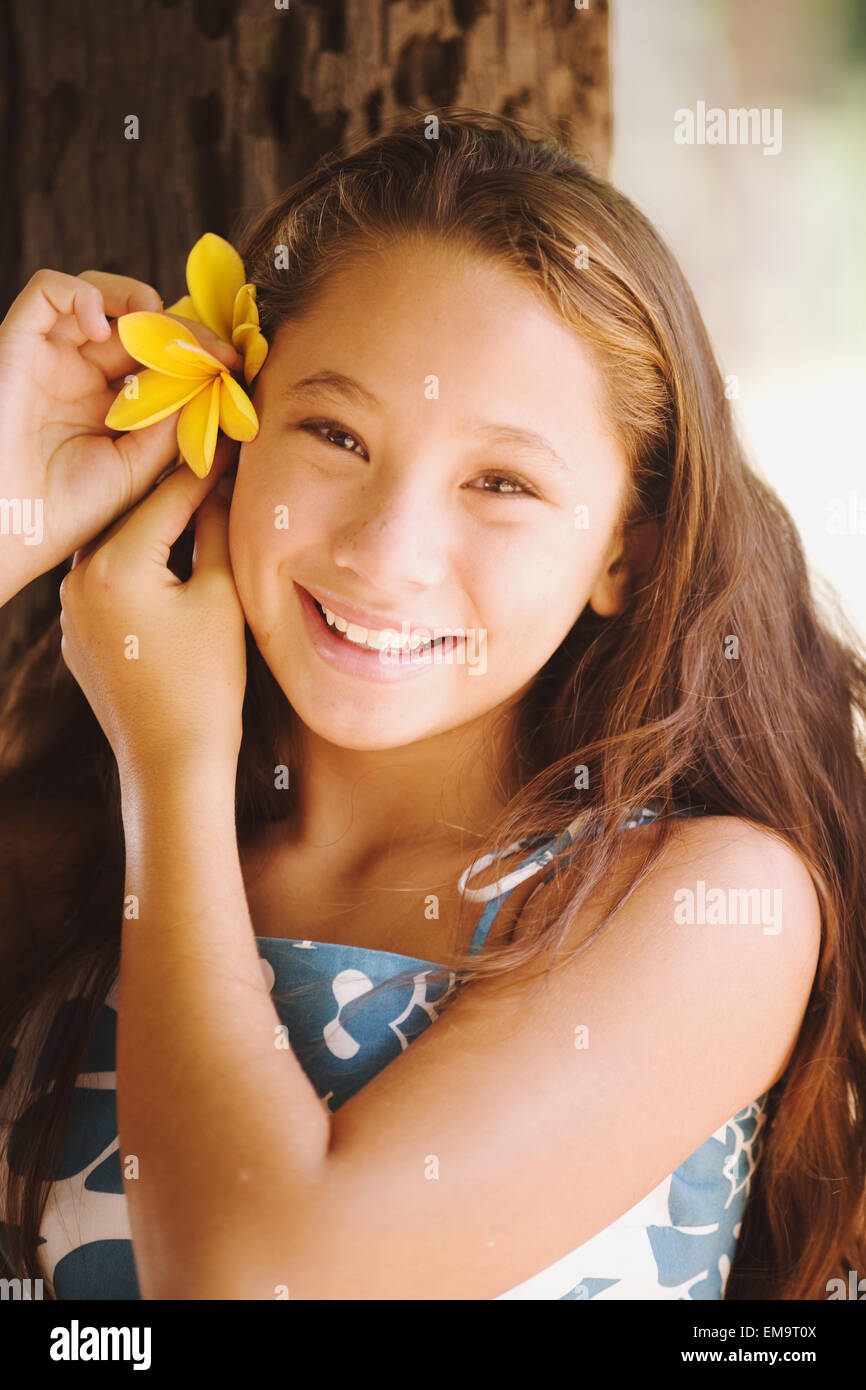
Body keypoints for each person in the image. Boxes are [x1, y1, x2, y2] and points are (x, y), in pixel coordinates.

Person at [0, 108, 863, 1301]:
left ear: (626, 551)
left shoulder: (710, 907)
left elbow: (253, 1280)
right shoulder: (66, 859)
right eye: (335, 432)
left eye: (501, 481)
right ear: (227, 436)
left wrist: (173, 764)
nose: (386, 551)